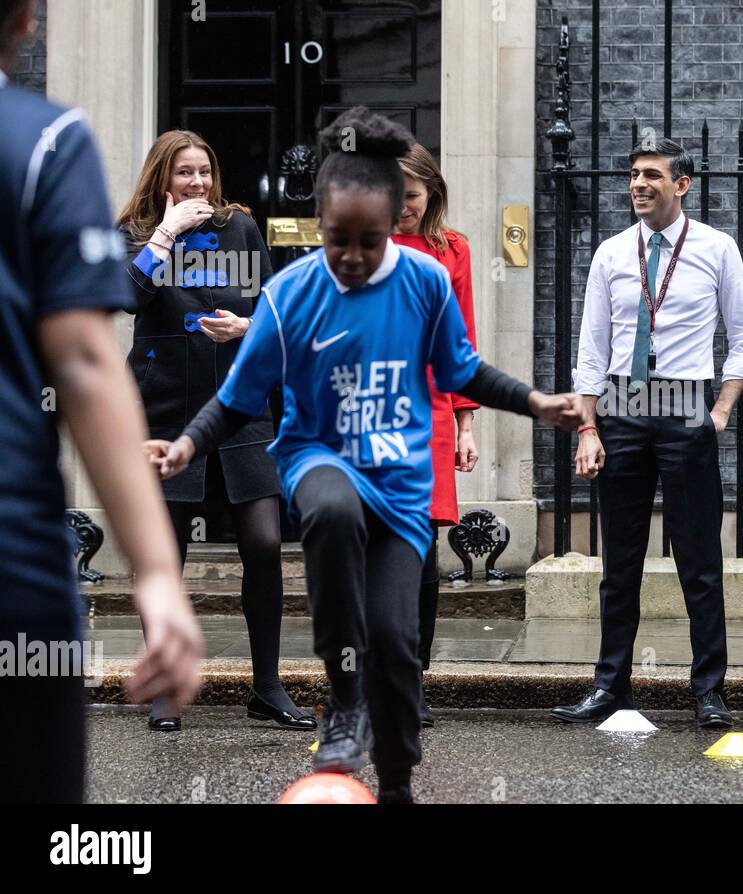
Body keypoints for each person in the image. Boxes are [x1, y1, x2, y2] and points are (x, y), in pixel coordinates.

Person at [146, 107, 581, 803]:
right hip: (319, 456)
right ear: (319, 221)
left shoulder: (424, 282)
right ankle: (343, 705)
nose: (351, 255)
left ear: (392, 227)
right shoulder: (291, 294)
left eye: (369, 241)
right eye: (338, 239)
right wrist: (186, 444)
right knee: (331, 508)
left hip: (402, 483)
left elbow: (463, 371)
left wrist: (537, 402)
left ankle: (398, 770)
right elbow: (236, 397)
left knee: (394, 638)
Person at [0, 0, 202, 802]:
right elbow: (85, 356)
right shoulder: (47, 142)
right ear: (26, 21)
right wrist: (155, 574)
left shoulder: (235, 232)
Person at [554, 137, 743, 728]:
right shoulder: (612, 253)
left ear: (682, 184)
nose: (638, 184)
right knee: (619, 562)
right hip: (620, 406)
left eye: (650, 175)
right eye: (633, 175)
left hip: (685, 407)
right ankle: (610, 685)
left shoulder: (717, 249)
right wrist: (588, 428)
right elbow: (591, 350)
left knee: (699, 560)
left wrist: (718, 413)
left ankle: (709, 691)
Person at [118, 130, 312, 732]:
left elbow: (275, 307)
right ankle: (166, 689)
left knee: (261, 541)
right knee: (166, 552)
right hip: (166, 406)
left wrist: (246, 326)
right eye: (185, 173)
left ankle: (268, 686)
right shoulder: (135, 232)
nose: (198, 183)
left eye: (204, 171)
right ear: (162, 178)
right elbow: (125, 296)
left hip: (238, 404)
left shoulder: (240, 228)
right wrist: (167, 232)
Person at [391, 143, 480, 726]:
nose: (403, 209)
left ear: (432, 194)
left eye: (413, 197)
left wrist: (466, 423)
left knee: (421, 558)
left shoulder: (454, 250)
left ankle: (412, 681)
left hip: (431, 415)